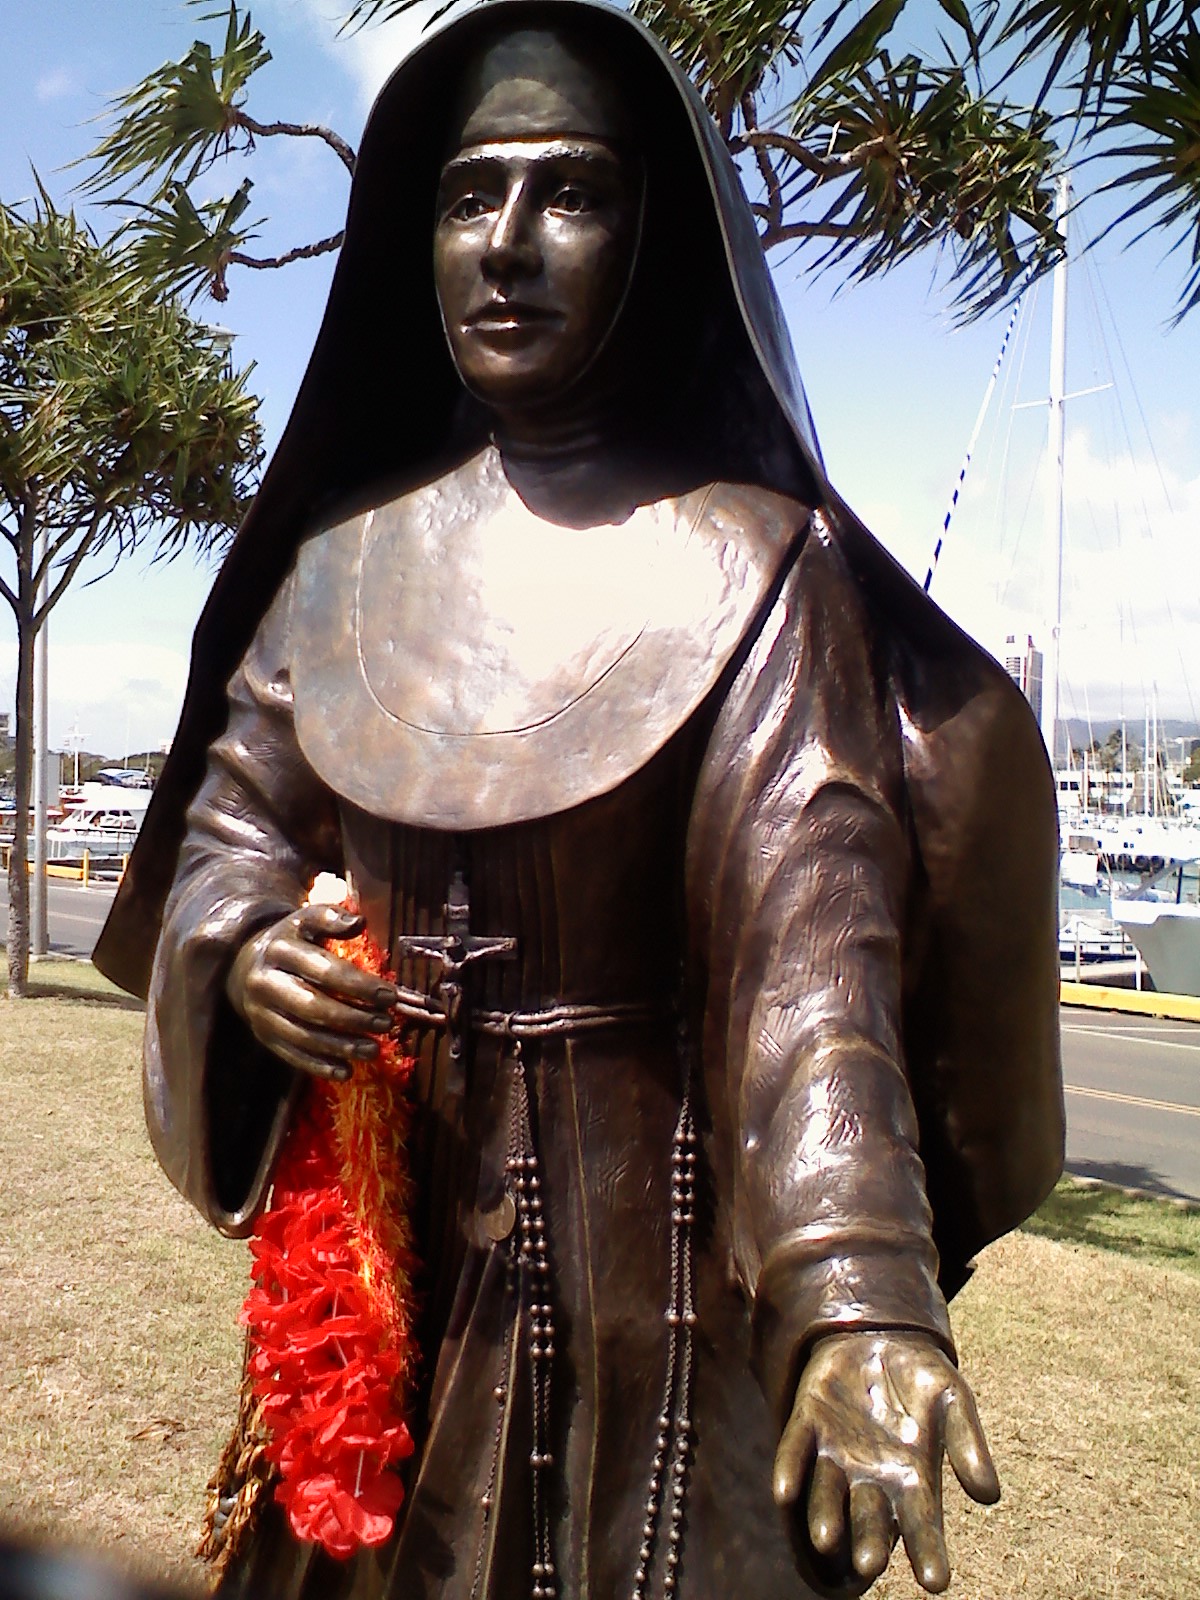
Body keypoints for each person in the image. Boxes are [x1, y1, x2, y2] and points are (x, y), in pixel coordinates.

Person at [94, 4, 1063, 1597]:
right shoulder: (337, 566)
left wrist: (861, 1290)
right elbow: (231, 836)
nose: (511, 245)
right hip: (390, 1261)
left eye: (574, 194)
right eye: (472, 194)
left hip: (656, 1294)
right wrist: (246, 945)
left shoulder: (756, 568)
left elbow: (809, 963)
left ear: (653, 236)